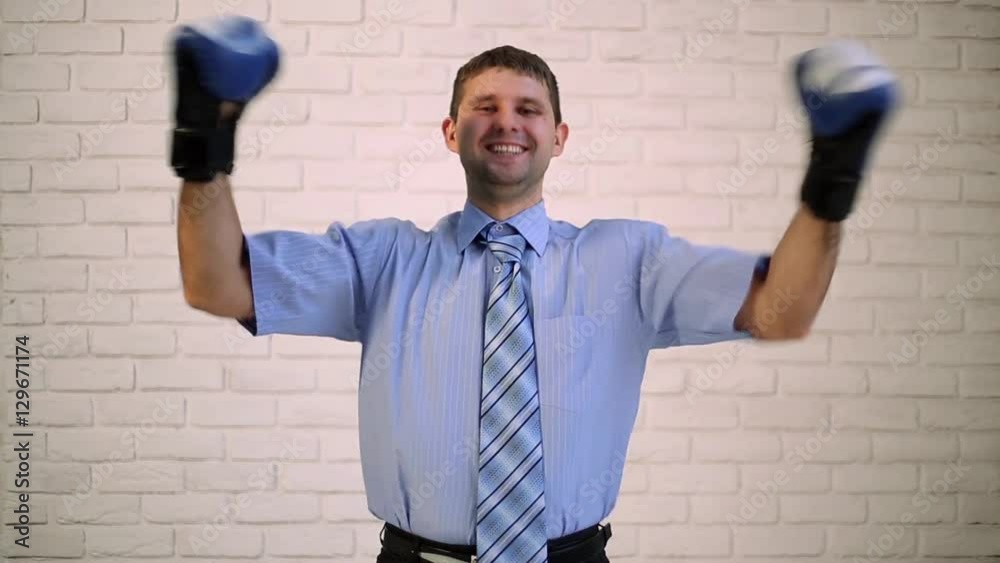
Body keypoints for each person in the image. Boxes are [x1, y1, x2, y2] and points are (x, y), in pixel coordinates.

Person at [173, 18, 895, 563]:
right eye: (484, 106)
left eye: (528, 108)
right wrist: (205, 141)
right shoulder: (383, 259)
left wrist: (831, 179)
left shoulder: (629, 259)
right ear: (450, 131)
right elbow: (217, 285)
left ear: (560, 135)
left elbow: (782, 309)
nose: (507, 122)